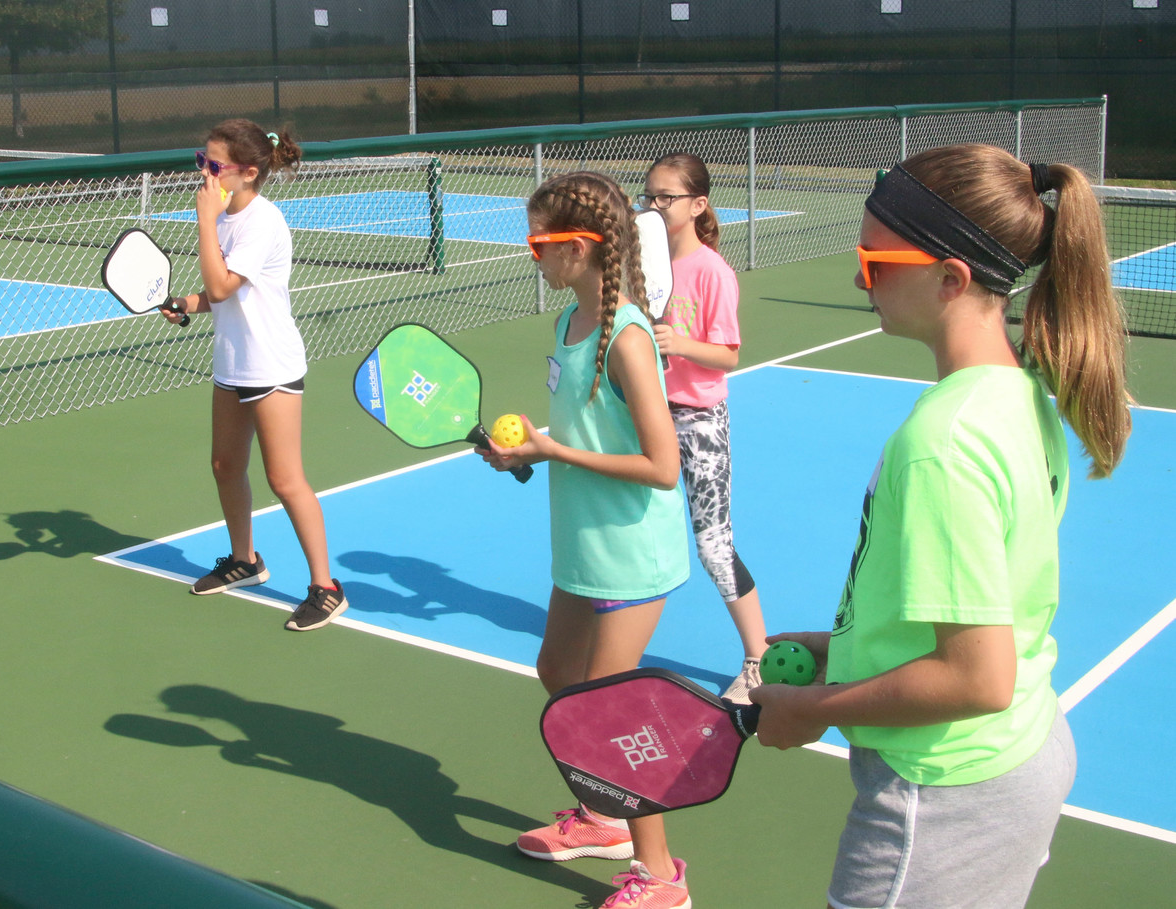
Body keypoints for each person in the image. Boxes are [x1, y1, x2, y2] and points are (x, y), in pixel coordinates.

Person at [751, 144, 1130, 909]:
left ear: (951, 278)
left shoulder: (943, 442)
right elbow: (985, 615)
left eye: (876, 260)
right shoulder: (1020, 397)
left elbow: (975, 676)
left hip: (948, 791)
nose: (860, 278)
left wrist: (812, 711)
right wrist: (846, 650)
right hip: (1020, 754)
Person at [480, 171, 692, 909]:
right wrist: (525, 456)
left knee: (610, 709)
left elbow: (663, 466)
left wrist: (558, 453)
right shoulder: (570, 325)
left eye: (538, 242)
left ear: (578, 247)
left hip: (632, 549)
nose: (529, 253)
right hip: (580, 543)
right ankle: (605, 816)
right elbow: (579, 435)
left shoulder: (627, 339)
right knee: (556, 670)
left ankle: (662, 876)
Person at [160, 119, 346, 632]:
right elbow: (219, 295)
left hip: (272, 366)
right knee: (224, 465)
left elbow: (221, 287)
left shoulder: (260, 223)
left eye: (213, 166)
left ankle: (326, 587)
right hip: (232, 363)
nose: (204, 173)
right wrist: (183, 304)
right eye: (202, 161)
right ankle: (245, 560)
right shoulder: (224, 218)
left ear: (246, 172)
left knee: (285, 478)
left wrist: (203, 220)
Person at [640, 152, 769, 704]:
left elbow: (729, 355)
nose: (654, 205)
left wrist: (678, 342)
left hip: (699, 423)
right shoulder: (644, 265)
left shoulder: (713, 271)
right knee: (639, 533)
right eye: (649, 195)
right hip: (648, 414)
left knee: (714, 546)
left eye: (666, 197)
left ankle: (758, 657)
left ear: (698, 205)